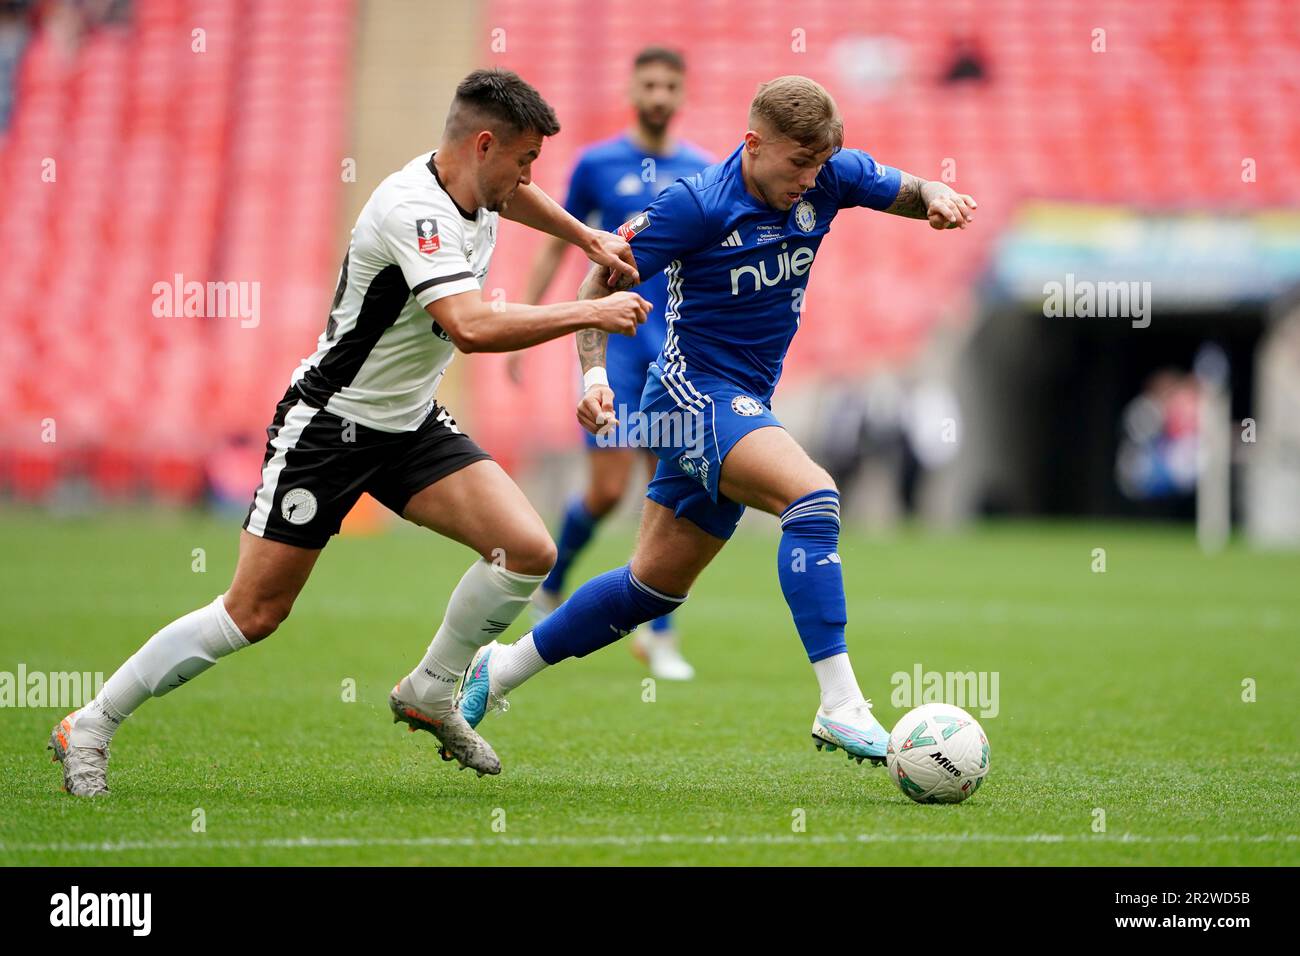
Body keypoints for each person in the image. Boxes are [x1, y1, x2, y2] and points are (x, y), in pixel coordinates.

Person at [48, 68, 651, 796]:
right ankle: (92, 721)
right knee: (254, 612)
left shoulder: (482, 183)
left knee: (525, 550)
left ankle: (432, 690)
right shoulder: (411, 208)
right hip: (330, 427)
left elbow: (517, 197)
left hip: (410, 425)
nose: (529, 176)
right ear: (484, 145)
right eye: (524, 158)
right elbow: (470, 327)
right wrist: (588, 314)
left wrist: (586, 238)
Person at [454, 75, 978, 765]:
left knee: (651, 587)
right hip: (688, 395)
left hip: (744, 400)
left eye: (821, 165)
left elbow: (902, 188)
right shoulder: (695, 206)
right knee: (813, 497)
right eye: (798, 164)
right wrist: (592, 376)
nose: (811, 179)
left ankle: (502, 667)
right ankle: (842, 704)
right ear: (754, 143)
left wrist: (935, 195)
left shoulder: (827, 174)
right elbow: (596, 283)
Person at [513, 46, 710, 680]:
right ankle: (556, 578)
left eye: (669, 85)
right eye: (649, 82)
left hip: (675, 353)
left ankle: (660, 632)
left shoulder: (703, 171)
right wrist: (527, 321)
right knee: (605, 491)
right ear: (633, 87)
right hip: (616, 352)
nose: (658, 94)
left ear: (682, 94)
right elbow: (557, 243)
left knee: (672, 490)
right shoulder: (597, 165)